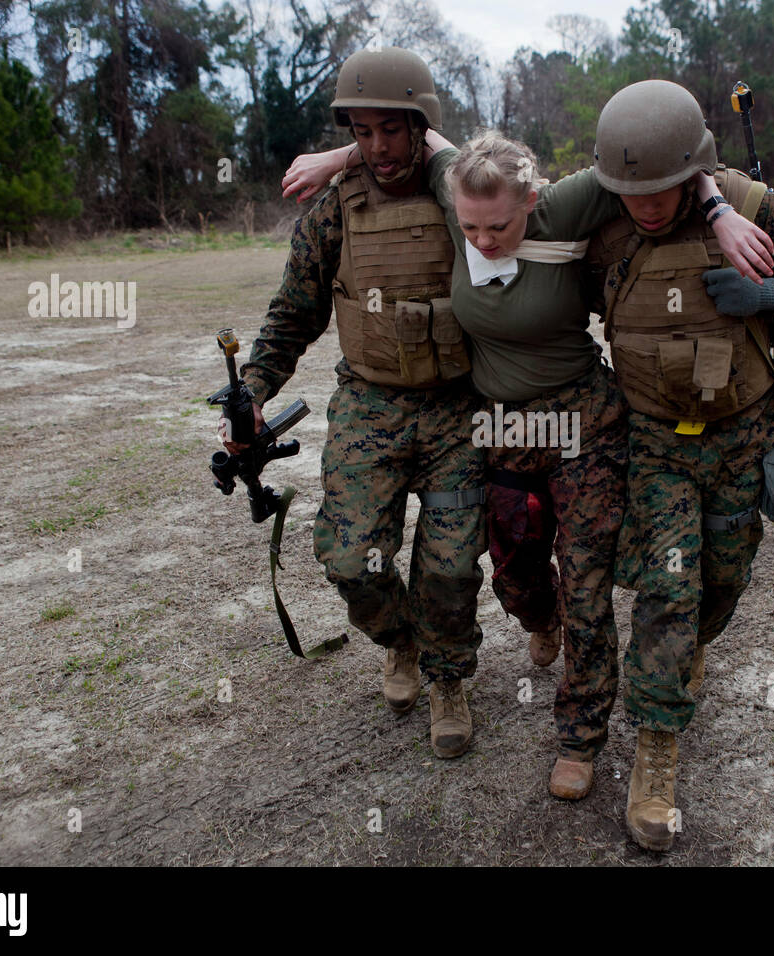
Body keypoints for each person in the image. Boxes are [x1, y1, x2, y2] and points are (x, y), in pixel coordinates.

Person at [285, 119, 774, 801]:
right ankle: (536, 622)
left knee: (587, 587)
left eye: (498, 228)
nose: (482, 241)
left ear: (531, 201)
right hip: (501, 428)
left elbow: (654, 162)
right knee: (516, 580)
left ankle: (580, 739)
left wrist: (719, 211)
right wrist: (334, 155)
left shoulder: (567, 204)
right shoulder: (457, 181)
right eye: (470, 229)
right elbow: (415, 140)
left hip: (583, 423)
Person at [584, 80, 774, 851]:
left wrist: (768, 295)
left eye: (665, 186)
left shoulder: (758, 207)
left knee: (722, 579)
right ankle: (656, 750)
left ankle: (686, 653)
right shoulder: (604, 230)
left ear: (694, 167)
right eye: (633, 190)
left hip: (740, 436)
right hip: (656, 444)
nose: (649, 204)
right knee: (670, 586)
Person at [223, 48, 487, 760]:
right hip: (370, 404)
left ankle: (448, 677)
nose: (377, 147)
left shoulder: (459, 197)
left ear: (419, 127)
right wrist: (249, 392)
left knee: (453, 567)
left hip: (459, 409)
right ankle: (401, 642)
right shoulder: (334, 210)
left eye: (391, 131)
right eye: (361, 133)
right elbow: (291, 315)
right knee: (349, 559)